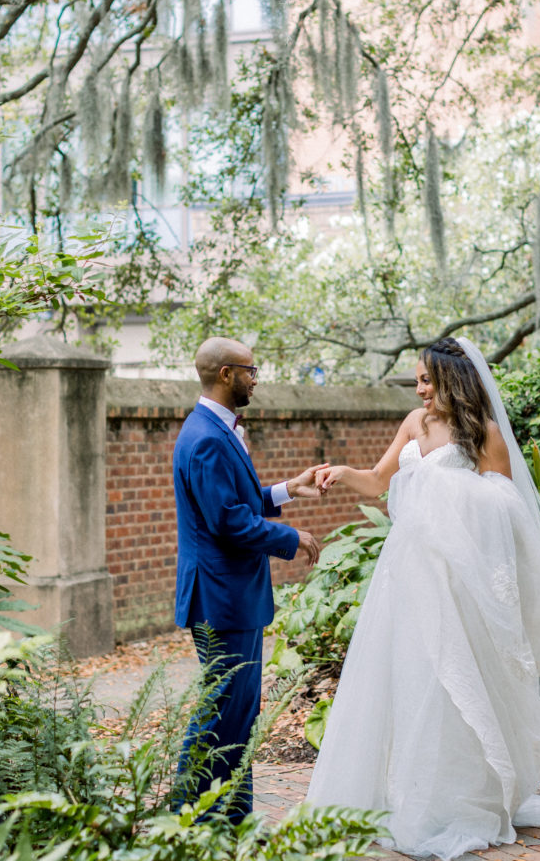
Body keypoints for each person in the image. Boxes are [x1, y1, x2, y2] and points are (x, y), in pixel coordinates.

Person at [305, 336, 540, 859]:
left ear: (452, 380)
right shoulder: (414, 425)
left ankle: (466, 797)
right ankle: (415, 794)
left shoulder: (485, 433)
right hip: (408, 578)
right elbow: (379, 481)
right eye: (417, 380)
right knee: (411, 679)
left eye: (426, 379)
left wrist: (446, 494)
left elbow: (506, 509)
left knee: (456, 685)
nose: (419, 389)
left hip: (461, 585)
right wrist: (339, 473)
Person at [172, 336, 324, 823]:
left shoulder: (215, 431)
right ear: (225, 374)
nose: (255, 380)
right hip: (221, 599)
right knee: (221, 713)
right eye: (251, 371)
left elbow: (236, 501)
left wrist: (287, 490)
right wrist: (288, 537)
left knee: (239, 714)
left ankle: (229, 823)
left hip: (232, 598)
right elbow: (227, 522)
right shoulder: (206, 438)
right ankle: (185, 822)